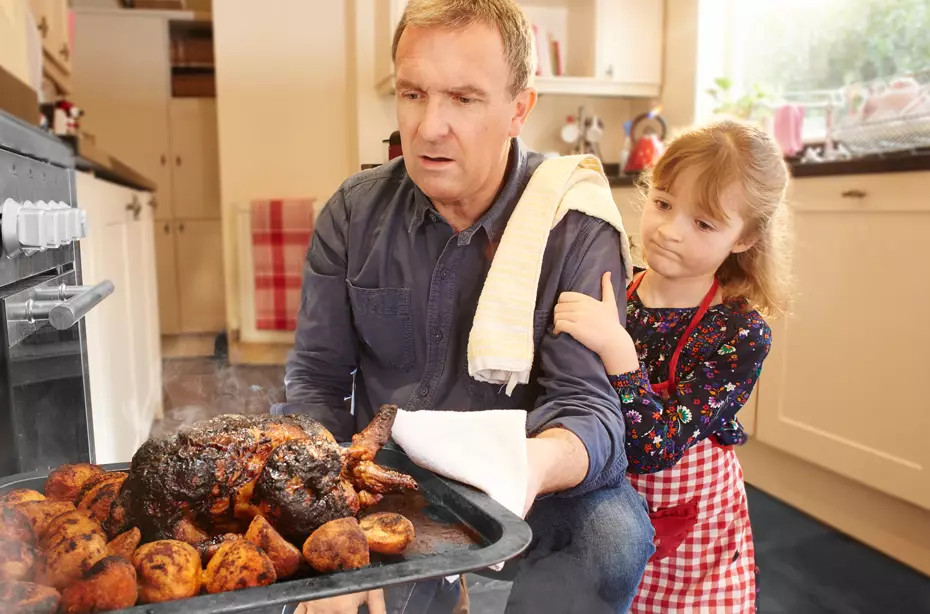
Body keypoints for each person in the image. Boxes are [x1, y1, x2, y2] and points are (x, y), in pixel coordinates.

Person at [273, 0, 654, 612]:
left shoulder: (575, 225)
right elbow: (316, 378)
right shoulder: (354, 212)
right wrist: (329, 535)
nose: (428, 127)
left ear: (519, 109)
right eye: (413, 93)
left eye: (464, 98)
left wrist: (527, 469)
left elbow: (589, 408)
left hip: (523, 465)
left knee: (612, 536)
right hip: (390, 472)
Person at [553, 120, 793, 612]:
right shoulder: (617, 288)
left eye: (703, 224)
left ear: (745, 237)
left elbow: (655, 448)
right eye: (663, 203)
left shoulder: (740, 335)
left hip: (694, 536)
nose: (668, 231)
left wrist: (617, 348)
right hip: (610, 503)